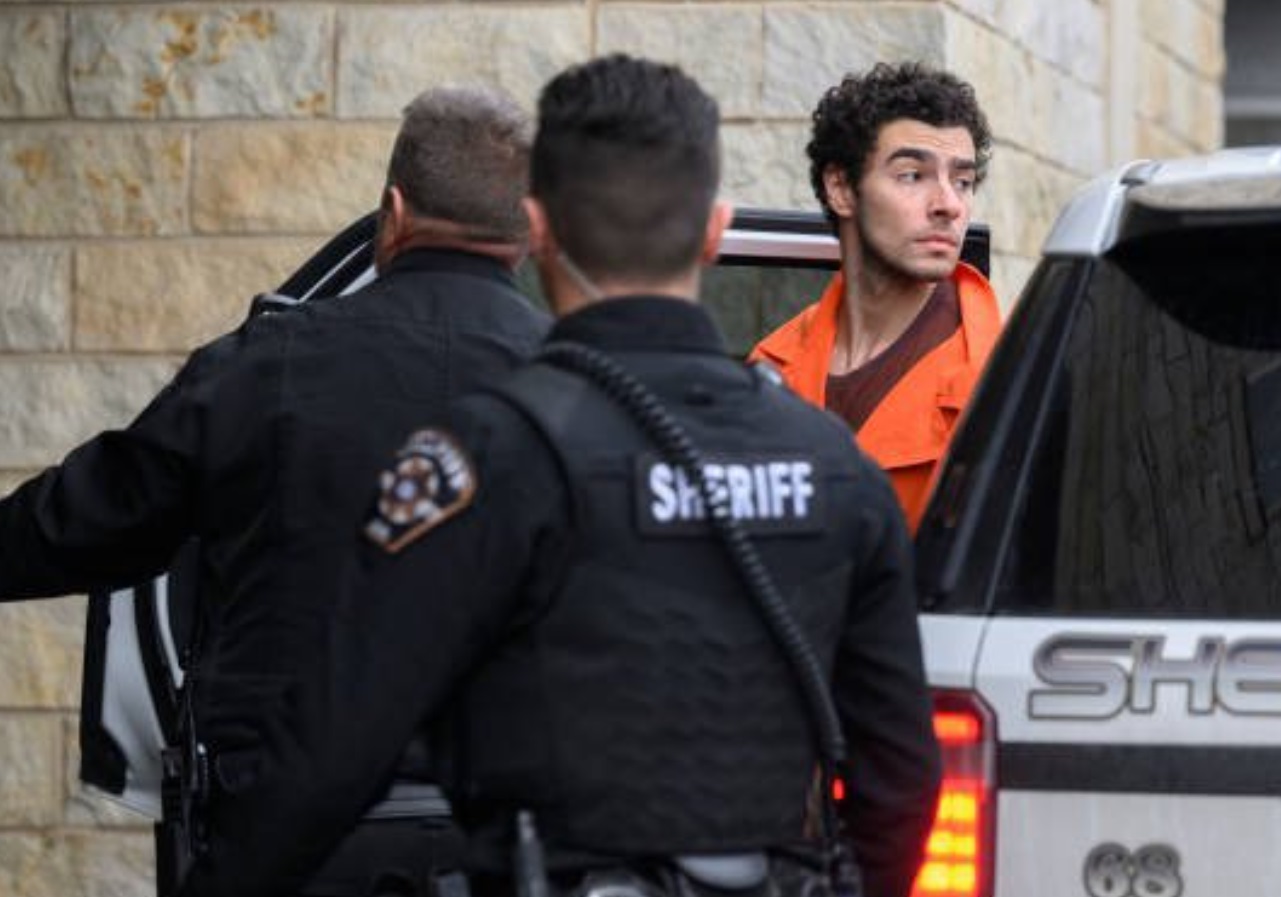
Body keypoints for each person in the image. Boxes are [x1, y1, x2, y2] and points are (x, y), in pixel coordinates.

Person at [177, 54, 942, 897]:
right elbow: (900, 774)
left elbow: (329, 750)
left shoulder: (479, 455)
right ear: (715, 230)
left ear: (537, 228)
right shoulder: (837, 466)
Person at [0, 85, 550, 894]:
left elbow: (80, 521)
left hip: (284, 841)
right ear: (531, 230)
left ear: (393, 211)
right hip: (518, 842)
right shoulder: (592, 384)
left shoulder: (265, 364)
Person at [750, 62, 1001, 532]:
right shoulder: (770, 369)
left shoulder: (1004, 382)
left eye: (962, 181)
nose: (949, 203)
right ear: (842, 188)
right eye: (912, 175)